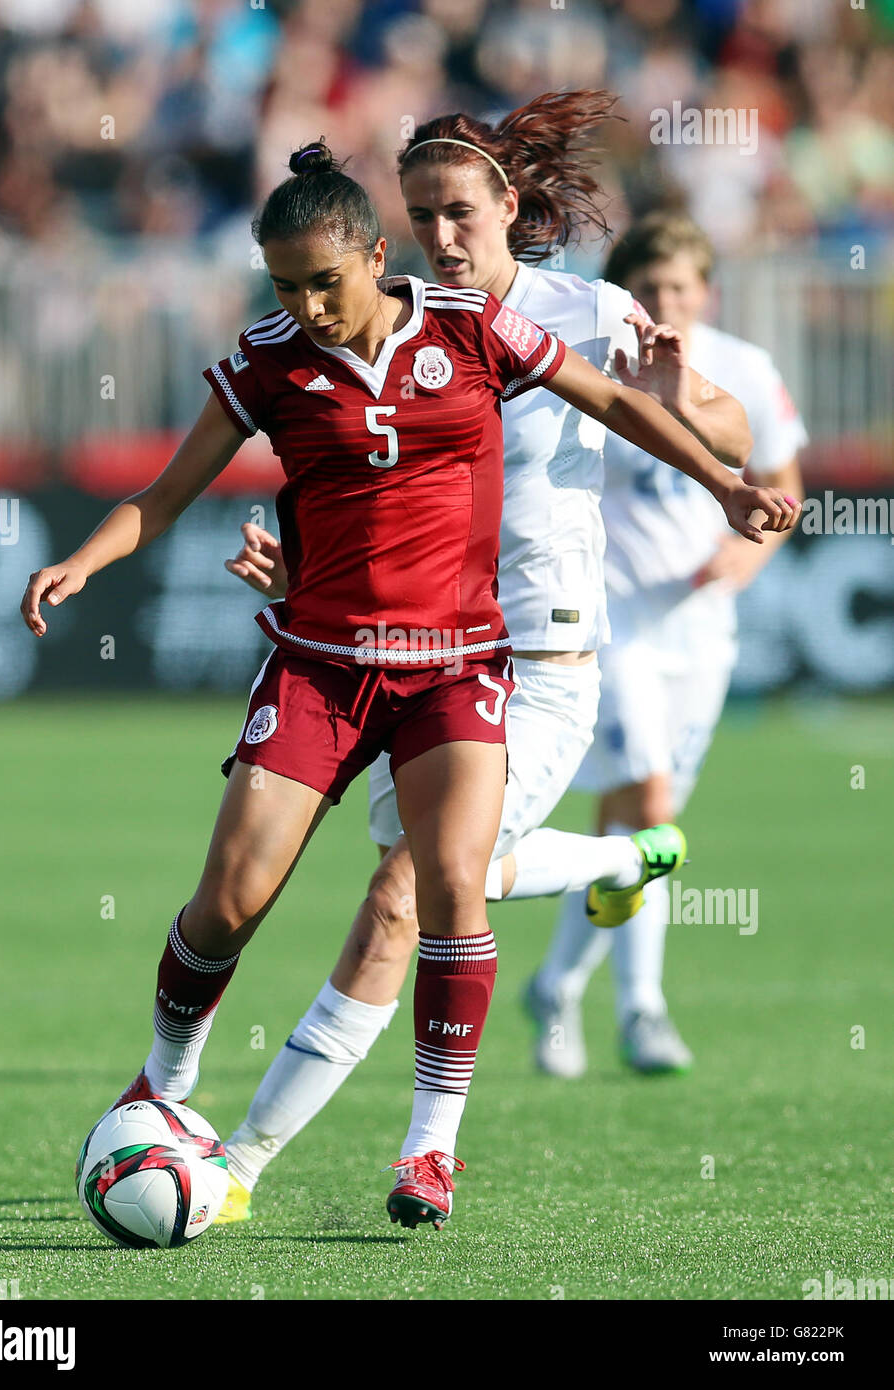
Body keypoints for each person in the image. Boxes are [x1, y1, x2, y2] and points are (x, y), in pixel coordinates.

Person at [214, 102, 797, 1224]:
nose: (440, 235)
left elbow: (719, 425)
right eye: (421, 214)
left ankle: (276, 1160)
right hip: (413, 664)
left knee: (404, 897)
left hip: (541, 655)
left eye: (460, 213)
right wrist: (305, 580)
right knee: (453, 878)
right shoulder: (401, 324)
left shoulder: (584, 311)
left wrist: (698, 425)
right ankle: (620, 859)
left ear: (511, 212)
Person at [524, 211, 807, 1077]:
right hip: (613, 623)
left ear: (706, 291)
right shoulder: (592, 363)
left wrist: (745, 556)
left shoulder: (743, 368)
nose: (664, 301)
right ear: (625, 293)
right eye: (648, 288)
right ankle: (643, 1009)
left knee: (640, 823)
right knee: (650, 809)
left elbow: (785, 484)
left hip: (701, 626)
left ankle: (558, 981)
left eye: (680, 287)